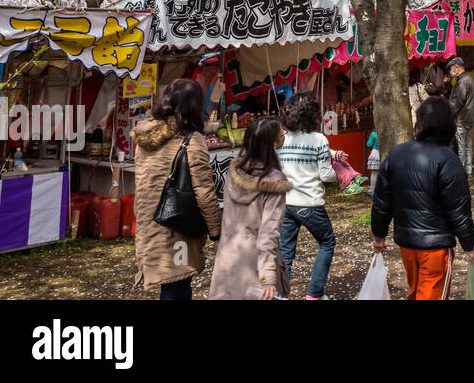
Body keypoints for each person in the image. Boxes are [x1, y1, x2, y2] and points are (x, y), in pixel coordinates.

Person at [371, 98, 474, 300]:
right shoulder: (448, 159)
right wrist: (471, 245)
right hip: (435, 247)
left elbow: (382, 201)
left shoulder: (396, 154)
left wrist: (379, 235)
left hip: (407, 245)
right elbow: (459, 211)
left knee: (416, 292)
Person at [132, 79, 223, 300]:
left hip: (150, 222)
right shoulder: (191, 140)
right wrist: (217, 233)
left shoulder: (143, 137)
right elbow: (204, 192)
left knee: (173, 285)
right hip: (178, 224)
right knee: (177, 286)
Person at [209, 116, 291, 300]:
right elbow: (269, 232)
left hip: (228, 260)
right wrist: (268, 277)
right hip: (255, 265)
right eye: (282, 134)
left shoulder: (234, 173)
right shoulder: (274, 181)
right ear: (274, 143)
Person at [278, 92, 342, 300]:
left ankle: (281, 294)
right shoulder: (319, 140)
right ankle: (314, 294)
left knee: (286, 251)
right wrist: (340, 173)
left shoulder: (282, 140)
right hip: (310, 204)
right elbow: (326, 176)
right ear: (312, 114)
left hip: (286, 203)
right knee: (327, 242)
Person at [446, 57, 474, 177]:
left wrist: (449, 114)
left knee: (461, 146)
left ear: (457, 67)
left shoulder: (463, 81)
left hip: (461, 118)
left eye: (451, 69)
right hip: (468, 117)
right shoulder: (468, 78)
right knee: (467, 144)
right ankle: (468, 170)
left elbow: (457, 102)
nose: (450, 72)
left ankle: (461, 171)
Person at [366, 131, 380, 196]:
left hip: (376, 153)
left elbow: (369, 144)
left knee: (374, 173)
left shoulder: (374, 133)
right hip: (386, 151)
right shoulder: (388, 131)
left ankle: (373, 189)